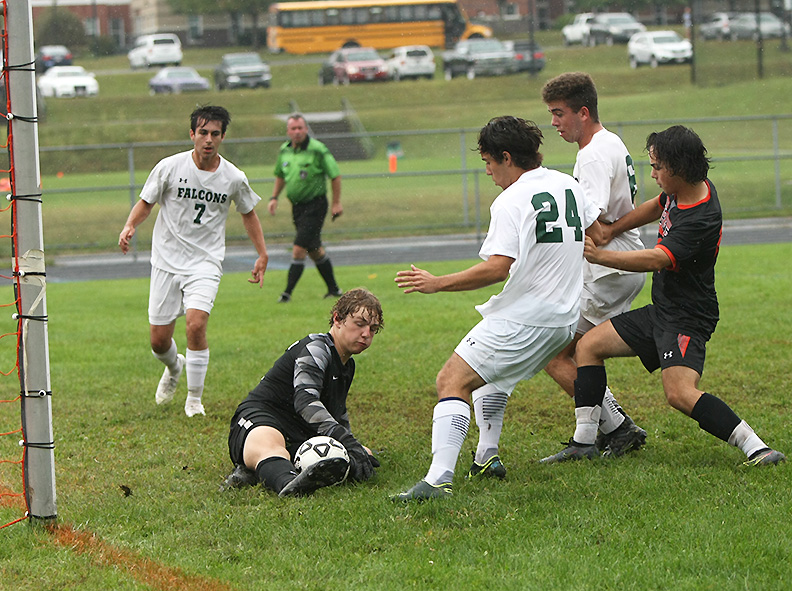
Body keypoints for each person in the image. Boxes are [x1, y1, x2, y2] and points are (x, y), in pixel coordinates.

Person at [541, 125, 785, 467]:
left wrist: (600, 255)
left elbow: (658, 258)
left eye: (657, 167)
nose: (652, 174)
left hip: (688, 316)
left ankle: (757, 448)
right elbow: (656, 205)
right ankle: (584, 443)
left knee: (679, 393)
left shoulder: (700, 216)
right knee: (588, 346)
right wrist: (613, 229)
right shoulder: (681, 190)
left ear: (679, 168)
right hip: (662, 310)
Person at [392, 116, 601, 501]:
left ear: (507, 157)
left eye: (489, 162)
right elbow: (595, 229)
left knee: (450, 381)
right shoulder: (566, 183)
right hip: (563, 319)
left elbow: (496, 268)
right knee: (493, 378)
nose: (487, 171)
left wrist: (437, 283)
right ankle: (487, 456)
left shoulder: (512, 199)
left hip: (527, 318)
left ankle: (438, 479)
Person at [500, 72, 646, 465]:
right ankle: (613, 429)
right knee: (577, 349)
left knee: (552, 350)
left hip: (609, 269)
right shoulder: (610, 140)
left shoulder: (593, 153)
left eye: (559, 113)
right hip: (620, 265)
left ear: (583, 112)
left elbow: (595, 226)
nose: (554, 123)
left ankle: (608, 432)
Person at [118, 105, 268, 418]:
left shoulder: (233, 177)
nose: (208, 139)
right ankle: (174, 368)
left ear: (223, 137)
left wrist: (262, 253)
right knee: (159, 342)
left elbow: (248, 213)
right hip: (166, 261)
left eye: (215, 133)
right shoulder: (170, 167)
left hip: (205, 262)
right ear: (192, 134)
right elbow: (146, 203)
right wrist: (130, 225)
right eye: (203, 132)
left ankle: (194, 400)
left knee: (196, 324)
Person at [221, 288, 382, 497]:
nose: (366, 334)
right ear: (338, 319)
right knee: (271, 445)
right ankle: (289, 484)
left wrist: (354, 447)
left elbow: (337, 413)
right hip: (262, 417)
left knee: (363, 454)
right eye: (359, 324)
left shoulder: (347, 365)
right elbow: (306, 402)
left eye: (373, 329)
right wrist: (348, 442)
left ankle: (254, 472)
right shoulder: (317, 348)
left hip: (301, 431)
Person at [269, 113, 343, 303]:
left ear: (306, 129)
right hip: (297, 208)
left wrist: (336, 202)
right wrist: (274, 197)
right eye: (293, 129)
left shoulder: (318, 150)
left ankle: (286, 293)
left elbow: (335, 175)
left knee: (298, 249)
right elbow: (279, 175)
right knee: (314, 250)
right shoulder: (284, 151)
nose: (297, 132)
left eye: (300, 128)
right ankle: (334, 289)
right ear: (288, 131)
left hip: (315, 205)